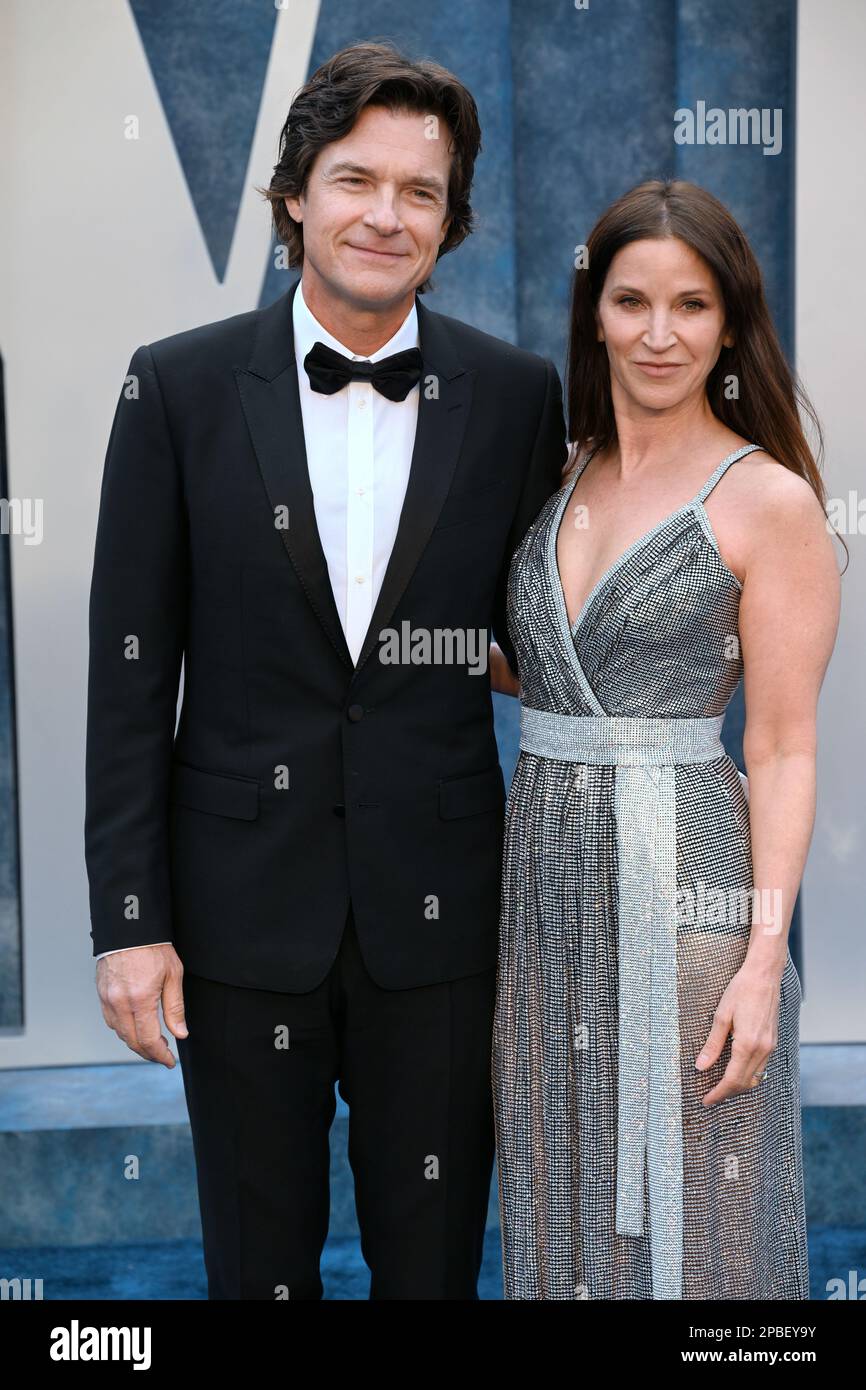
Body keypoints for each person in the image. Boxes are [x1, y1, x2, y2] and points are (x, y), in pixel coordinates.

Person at [84, 41, 566, 1299]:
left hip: (444, 915)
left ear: (450, 219)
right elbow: (129, 676)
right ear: (295, 189)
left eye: (420, 191)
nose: (385, 215)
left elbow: (531, 635)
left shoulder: (517, 396)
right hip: (239, 916)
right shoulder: (176, 386)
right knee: (258, 1271)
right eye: (356, 179)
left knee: (432, 1266)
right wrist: (129, 923)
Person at [491, 178, 841, 1300]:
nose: (655, 333)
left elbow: (783, 746)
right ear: (592, 312)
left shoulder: (767, 501)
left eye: (688, 306)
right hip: (540, 897)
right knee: (559, 1185)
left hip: (687, 890)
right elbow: (552, 670)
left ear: (727, 323)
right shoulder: (560, 474)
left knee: (697, 1211)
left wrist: (760, 960)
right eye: (630, 301)